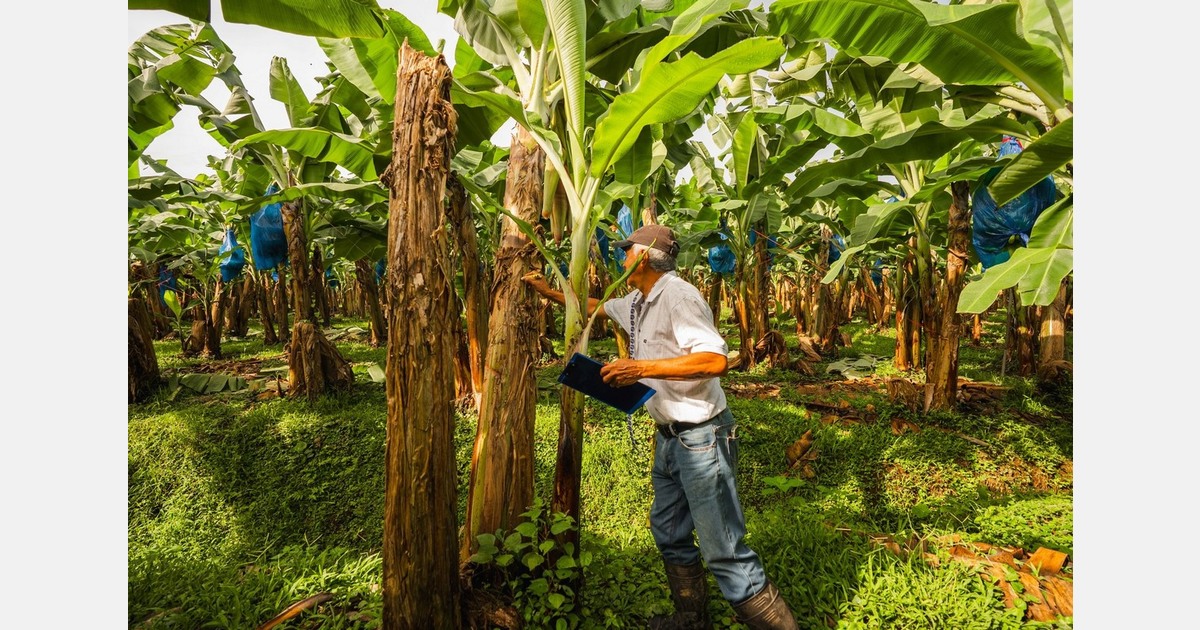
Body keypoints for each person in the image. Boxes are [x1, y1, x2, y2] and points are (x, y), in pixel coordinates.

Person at [523, 225, 798, 630]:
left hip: (702, 437)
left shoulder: (678, 296)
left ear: (644, 256)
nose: (620, 258)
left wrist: (640, 368)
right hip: (669, 439)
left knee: (723, 549)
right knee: (669, 533)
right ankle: (691, 620)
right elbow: (599, 307)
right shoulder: (639, 300)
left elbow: (714, 360)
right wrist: (549, 292)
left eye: (626, 251)